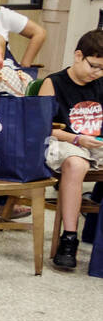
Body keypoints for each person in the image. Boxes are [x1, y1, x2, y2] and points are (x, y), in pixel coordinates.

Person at [38, 29, 103, 271]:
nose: (97, 73)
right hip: (62, 140)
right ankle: (69, 238)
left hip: (93, 142)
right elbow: (39, 128)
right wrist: (76, 140)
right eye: (94, 66)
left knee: (82, 159)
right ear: (78, 55)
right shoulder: (53, 83)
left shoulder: (101, 82)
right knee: (76, 163)